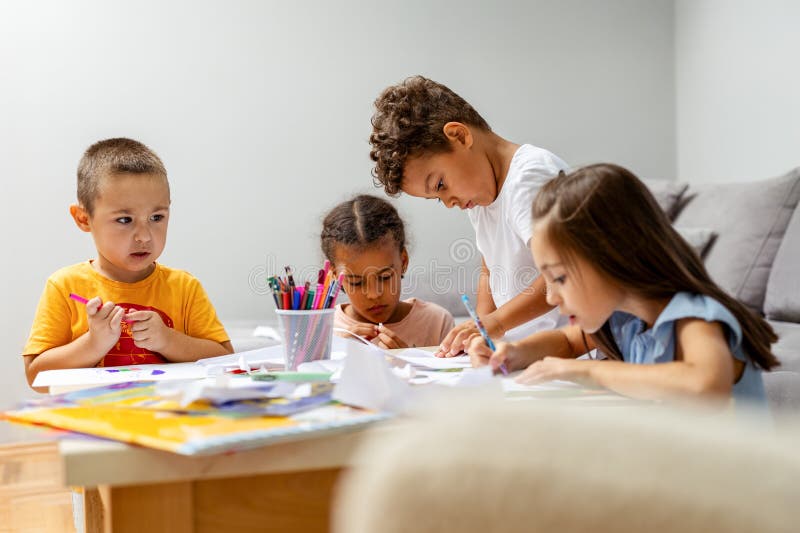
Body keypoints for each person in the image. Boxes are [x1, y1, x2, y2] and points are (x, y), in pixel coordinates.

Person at [469, 163, 779, 406]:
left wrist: (588, 371)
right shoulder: (624, 319)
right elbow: (569, 342)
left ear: (614, 256)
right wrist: (516, 353)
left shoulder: (694, 316)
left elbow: (706, 383)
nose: (551, 297)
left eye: (560, 278)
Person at [369, 75, 568, 356]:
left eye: (440, 185)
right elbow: (490, 268)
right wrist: (480, 330)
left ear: (460, 136)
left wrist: (494, 323)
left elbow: (563, 271)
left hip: (561, 351)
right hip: (520, 353)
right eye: (437, 198)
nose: (448, 202)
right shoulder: (482, 195)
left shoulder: (529, 178)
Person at [23, 138, 232, 388]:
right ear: (83, 219)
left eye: (157, 217)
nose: (144, 235)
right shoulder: (64, 286)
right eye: (124, 220)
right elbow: (36, 378)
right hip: (91, 421)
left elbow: (226, 362)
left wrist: (168, 340)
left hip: (166, 420)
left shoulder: (184, 287)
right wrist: (93, 344)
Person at [321, 194, 454, 349]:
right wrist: (338, 353)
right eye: (356, 282)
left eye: (384, 277)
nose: (373, 294)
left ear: (403, 261)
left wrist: (409, 361)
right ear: (335, 275)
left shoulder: (436, 322)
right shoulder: (322, 329)